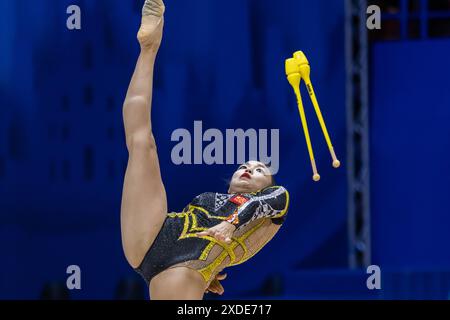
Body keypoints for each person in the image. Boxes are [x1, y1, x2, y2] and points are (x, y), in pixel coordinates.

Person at [120, 0, 290, 300]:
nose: (249, 168)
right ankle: (149, 47)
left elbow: (259, 206)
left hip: (184, 265)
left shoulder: (275, 199)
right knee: (141, 143)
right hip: (155, 233)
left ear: (269, 184)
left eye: (260, 169)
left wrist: (228, 228)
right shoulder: (216, 200)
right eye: (245, 166)